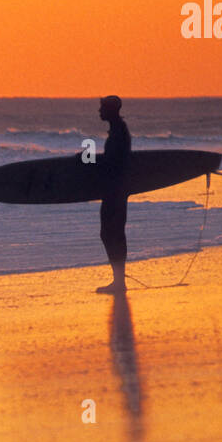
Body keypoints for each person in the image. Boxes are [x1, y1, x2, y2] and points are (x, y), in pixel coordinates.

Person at [96, 96, 131, 294]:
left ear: (111, 110)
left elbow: (112, 162)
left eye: (102, 108)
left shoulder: (119, 132)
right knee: (112, 233)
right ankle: (118, 280)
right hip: (115, 189)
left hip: (115, 190)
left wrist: (88, 160)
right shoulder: (118, 130)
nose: (99, 111)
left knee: (112, 233)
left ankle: (119, 282)